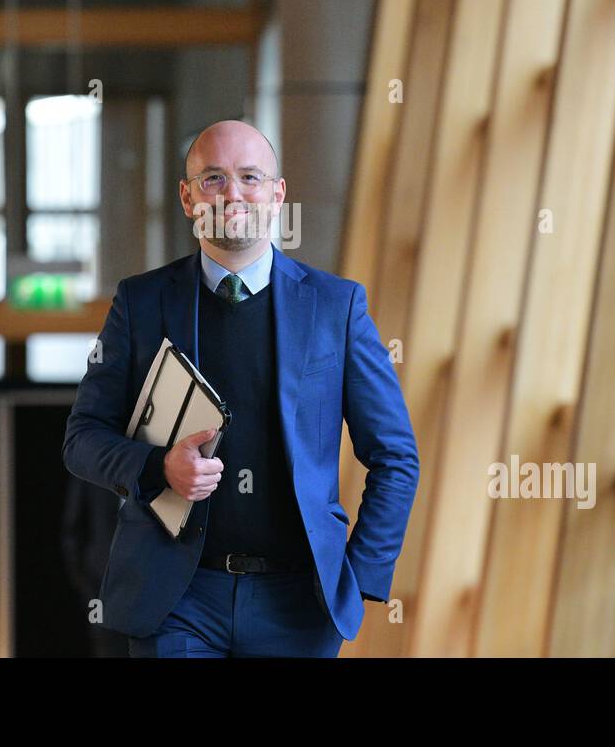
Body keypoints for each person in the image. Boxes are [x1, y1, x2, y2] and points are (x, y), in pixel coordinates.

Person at [61, 119, 418, 657]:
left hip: (298, 604)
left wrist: (360, 575)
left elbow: (395, 456)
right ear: (187, 197)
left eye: (250, 177)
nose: (232, 193)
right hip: (178, 597)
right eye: (213, 179)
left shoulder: (336, 307)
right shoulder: (140, 303)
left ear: (277, 194)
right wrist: (157, 467)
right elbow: (82, 439)